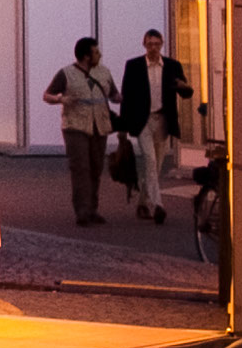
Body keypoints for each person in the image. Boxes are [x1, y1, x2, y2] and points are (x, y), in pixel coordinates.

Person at [116, 29, 187, 227]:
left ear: (162, 44)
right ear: (144, 45)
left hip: (163, 120)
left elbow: (186, 92)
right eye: (150, 44)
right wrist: (123, 126)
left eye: (157, 44)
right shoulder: (134, 66)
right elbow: (126, 97)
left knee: (156, 163)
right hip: (143, 120)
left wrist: (184, 87)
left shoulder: (172, 66)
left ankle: (142, 203)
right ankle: (158, 205)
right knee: (150, 160)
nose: (154, 48)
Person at [45, 35, 117, 226]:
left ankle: (93, 208)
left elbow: (114, 94)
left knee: (96, 168)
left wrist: (124, 98)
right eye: (95, 51)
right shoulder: (66, 73)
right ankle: (82, 211)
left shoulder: (104, 73)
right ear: (86, 56)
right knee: (81, 168)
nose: (99, 54)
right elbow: (47, 95)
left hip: (99, 125)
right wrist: (61, 99)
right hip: (75, 126)